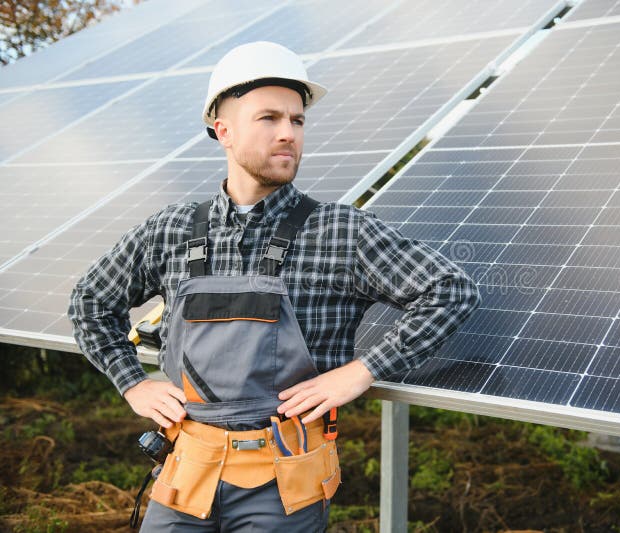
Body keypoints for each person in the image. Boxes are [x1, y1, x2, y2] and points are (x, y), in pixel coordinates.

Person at [68, 41, 480, 532]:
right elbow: (90, 301)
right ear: (223, 130)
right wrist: (132, 382)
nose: (288, 134)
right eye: (269, 118)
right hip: (184, 472)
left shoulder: (340, 232)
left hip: (286, 483)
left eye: (297, 121)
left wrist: (362, 371)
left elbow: (450, 290)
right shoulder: (170, 230)